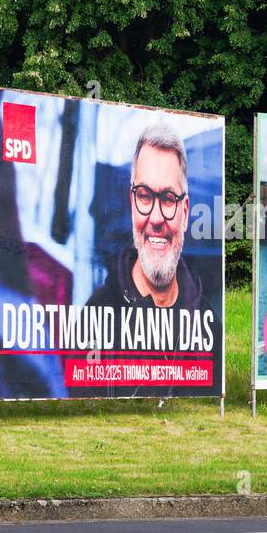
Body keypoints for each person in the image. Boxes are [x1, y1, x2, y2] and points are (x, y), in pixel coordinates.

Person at [84, 122, 214, 396]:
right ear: (132, 204)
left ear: (185, 210)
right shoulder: (92, 318)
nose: (155, 218)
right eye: (144, 196)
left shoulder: (209, 323)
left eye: (168, 199)